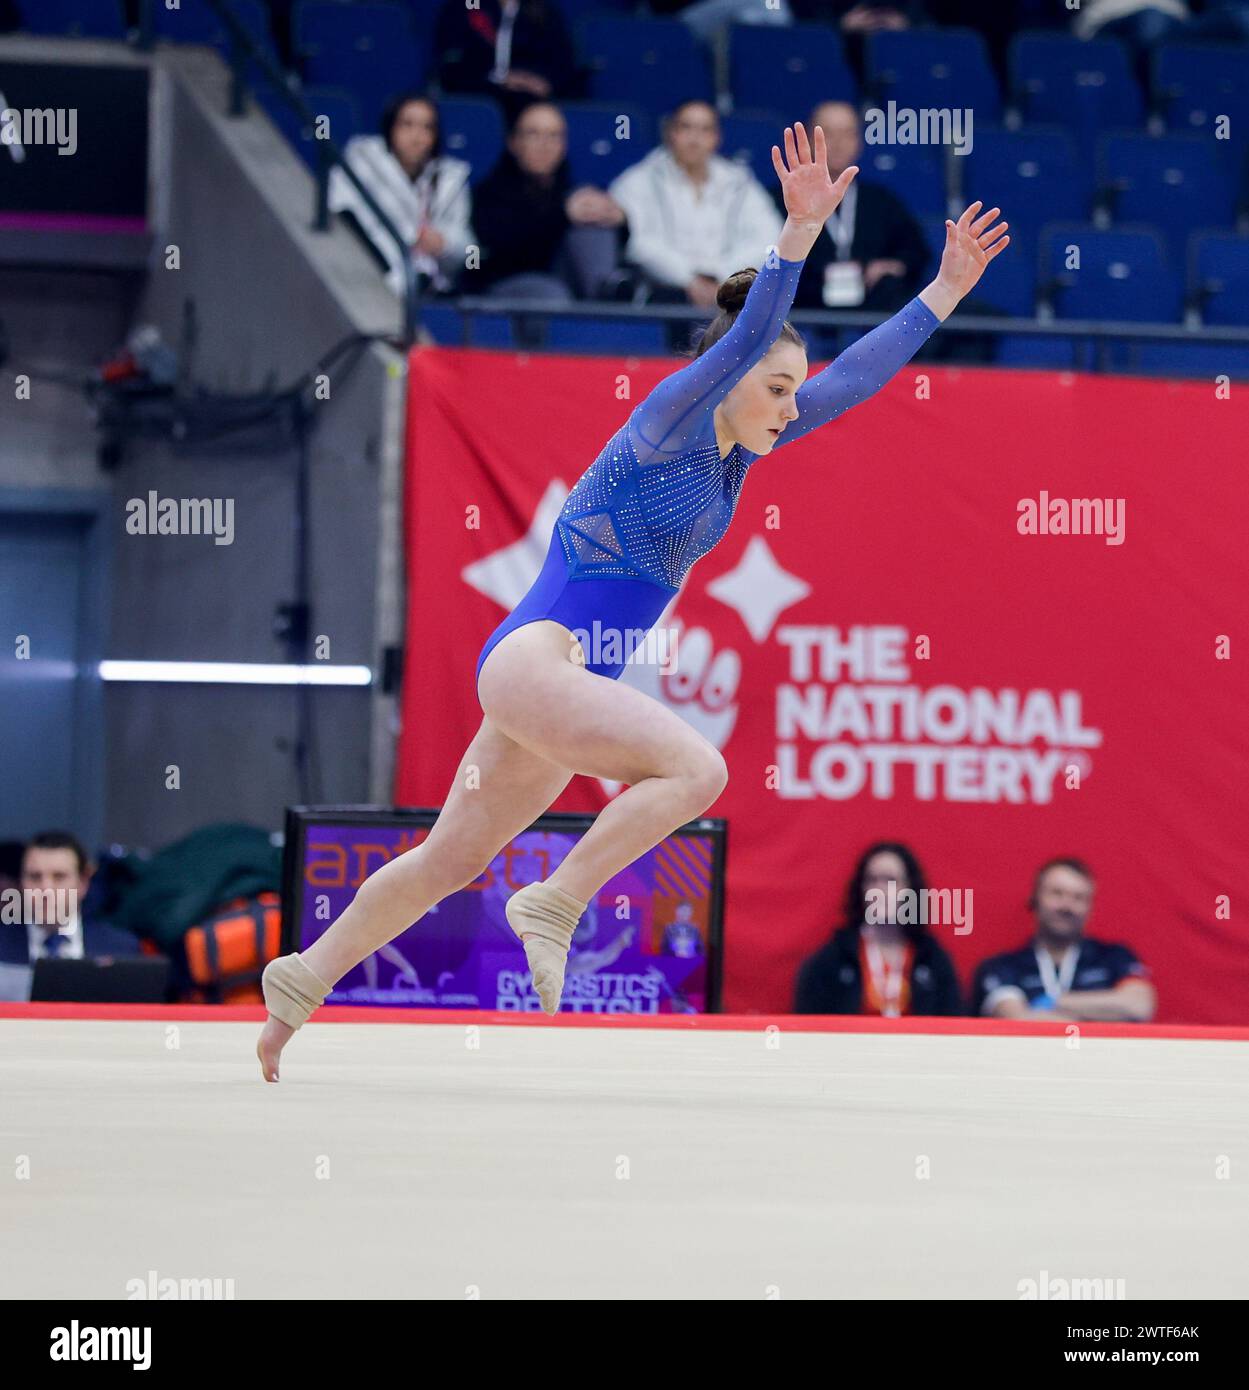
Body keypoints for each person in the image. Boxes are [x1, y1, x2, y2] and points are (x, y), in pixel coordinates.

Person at [256, 121, 1009, 1081]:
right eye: (776, 388)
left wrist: (942, 291)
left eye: (791, 393)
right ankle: (558, 900)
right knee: (697, 772)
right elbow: (747, 335)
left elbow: (854, 378)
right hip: (541, 659)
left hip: (550, 684)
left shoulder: (746, 448)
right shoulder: (668, 419)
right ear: (733, 379)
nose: (791, 404)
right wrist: (796, 236)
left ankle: (296, 988)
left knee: (447, 861)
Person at [608, 100, 783, 340]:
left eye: (704, 130)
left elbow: (768, 238)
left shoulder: (738, 181)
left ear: (716, 137)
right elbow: (639, 242)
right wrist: (689, 280)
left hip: (727, 290)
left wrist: (722, 280)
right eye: (686, 128)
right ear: (671, 133)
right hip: (665, 291)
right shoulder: (638, 180)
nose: (695, 138)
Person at [465, 102, 624, 311]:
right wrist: (563, 215)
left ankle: (609, 290)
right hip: (504, 283)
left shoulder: (570, 191)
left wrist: (619, 220)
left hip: (571, 281)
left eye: (554, 136)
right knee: (551, 296)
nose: (545, 144)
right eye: (534, 134)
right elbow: (501, 251)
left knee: (591, 216)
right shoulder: (488, 194)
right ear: (513, 142)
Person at [783, 101, 930, 315]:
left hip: (872, 312)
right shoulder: (783, 197)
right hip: (802, 309)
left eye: (847, 134)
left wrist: (894, 265)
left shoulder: (881, 200)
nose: (838, 143)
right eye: (827, 134)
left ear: (858, 142)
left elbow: (916, 252)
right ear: (806, 139)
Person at [969, 859, 1156, 1022]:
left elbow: (1139, 1006)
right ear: (1035, 898)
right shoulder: (1002, 967)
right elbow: (1019, 1020)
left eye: (1078, 897)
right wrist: (1102, 1015)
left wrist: (1051, 1003)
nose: (1067, 906)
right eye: (1057, 893)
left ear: (1090, 907)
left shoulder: (1115, 957)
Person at [328, 92, 472, 299]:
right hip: (367, 279)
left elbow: (469, 251)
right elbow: (342, 217)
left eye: (427, 127)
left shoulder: (450, 176)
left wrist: (444, 243)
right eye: (407, 124)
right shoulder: (359, 162)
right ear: (390, 127)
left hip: (431, 286)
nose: (417, 137)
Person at [794, 842, 963, 1015]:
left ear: (911, 890)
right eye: (872, 880)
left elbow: (954, 1026)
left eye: (891, 880)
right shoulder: (831, 962)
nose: (880, 889)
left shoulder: (933, 960)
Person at [0, 832, 144, 1003]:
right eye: (35, 877)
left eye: (59, 877)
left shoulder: (121, 949)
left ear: (83, 882)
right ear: (21, 882)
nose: (46, 890)